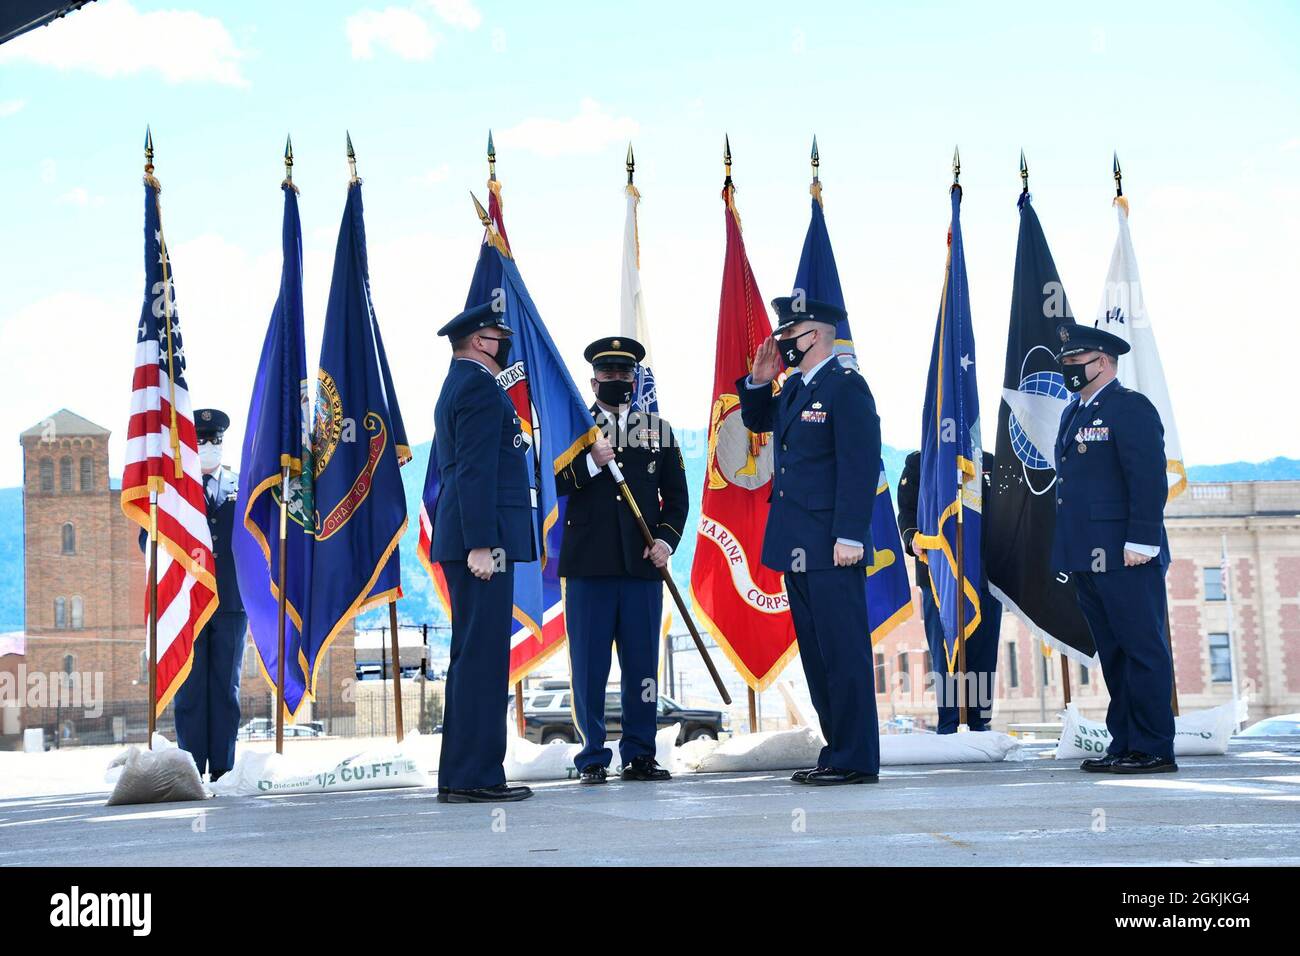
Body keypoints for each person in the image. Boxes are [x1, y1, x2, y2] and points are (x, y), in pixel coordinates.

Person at [737, 296, 881, 786]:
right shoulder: (797, 389)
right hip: (797, 544)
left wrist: (849, 534)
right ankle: (837, 750)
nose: (782, 343)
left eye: (789, 334)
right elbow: (758, 421)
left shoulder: (847, 388)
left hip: (831, 545)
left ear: (815, 335)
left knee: (844, 654)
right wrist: (758, 379)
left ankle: (858, 758)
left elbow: (860, 466)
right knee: (819, 658)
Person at [555, 336, 688, 785]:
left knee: (641, 668)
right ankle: (592, 756)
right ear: (593, 381)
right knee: (589, 668)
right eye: (608, 374)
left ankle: (639, 754)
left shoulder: (659, 430)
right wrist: (590, 463)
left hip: (640, 567)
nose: (617, 381)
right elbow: (552, 482)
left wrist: (666, 542)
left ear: (636, 379)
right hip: (589, 569)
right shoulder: (574, 431)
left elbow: (678, 499)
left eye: (624, 374)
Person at [1052, 323, 1175, 774]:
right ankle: (1125, 743)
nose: (1067, 368)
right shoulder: (1074, 413)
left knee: (1142, 649)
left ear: (1101, 361)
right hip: (1088, 555)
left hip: (1128, 554)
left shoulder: (1130, 408)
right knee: (1115, 652)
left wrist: (1141, 541)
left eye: (1074, 361)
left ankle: (1154, 748)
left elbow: (1147, 479)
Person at [430, 302, 537, 803]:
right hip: (481, 544)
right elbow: (475, 470)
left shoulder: (465, 383)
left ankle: (462, 774)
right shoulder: (476, 387)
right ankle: (476, 775)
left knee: (475, 657)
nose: (505, 343)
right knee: (482, 659)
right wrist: (480, 544)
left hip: (479, 538)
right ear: (479, 341)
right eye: (499, 336)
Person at [139, 408, 247, 782]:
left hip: (232, 600)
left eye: (216, 440)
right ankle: (191, 768)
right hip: (186, 599)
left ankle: (223, 768)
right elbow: (147, 540)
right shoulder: (173, 491)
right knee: (189, 687)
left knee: (225, 688)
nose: (210, 447)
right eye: (202, 441)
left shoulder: (241, 484)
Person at [896, 449, 1003, 732]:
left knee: (982, 650)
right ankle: (950, 723)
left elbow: (1007, 516)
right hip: (938, 574)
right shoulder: (920, 462)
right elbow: (907, 512)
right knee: (946, 653)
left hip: (984, 574)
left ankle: (979, 722)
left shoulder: (989, 463)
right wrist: (912, 539)